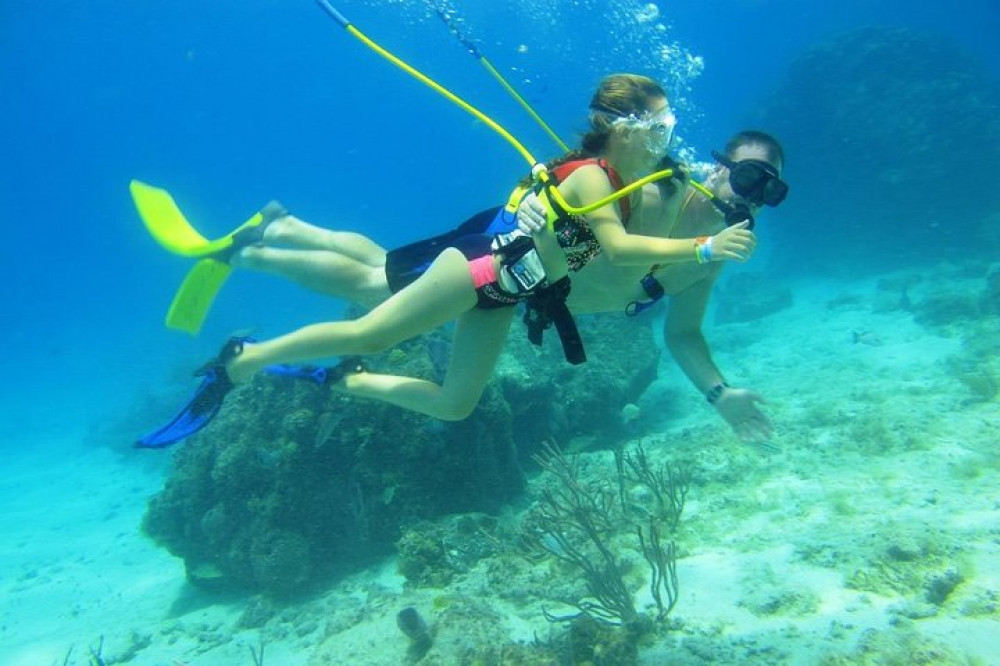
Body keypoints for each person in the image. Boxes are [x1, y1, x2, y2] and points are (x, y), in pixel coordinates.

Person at [139, 74, 757, 447]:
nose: (669, 134)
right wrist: (703, 247)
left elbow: (618, 241)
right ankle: (243, 361)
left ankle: (344, 377)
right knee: (372, 319)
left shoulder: (635, 175)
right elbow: (619, 249)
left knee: (454, 401)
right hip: (481, 268)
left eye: (670, 123)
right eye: (661, 123)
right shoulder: (598, 178)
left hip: (510, 294)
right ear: (624, 127)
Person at [524, 131, 787, 443]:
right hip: (504, 282)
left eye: (770, 190)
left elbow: (682, 334)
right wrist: (525, 204)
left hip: (536, 314)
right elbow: (572, 188)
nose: (753, 197)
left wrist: (720, 393)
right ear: (718, 170)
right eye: (748, 177)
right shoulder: (652, 196)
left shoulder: (715, 256)